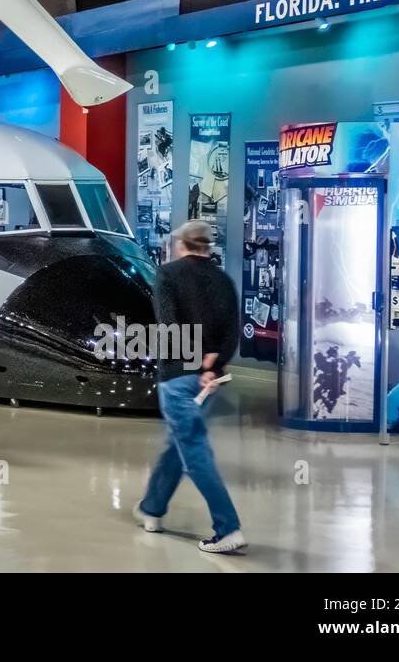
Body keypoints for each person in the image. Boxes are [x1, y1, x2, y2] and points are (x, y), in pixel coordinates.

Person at [134, 219, 244, 554]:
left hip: (178, 376)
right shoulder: (223, 280)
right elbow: (231, 331)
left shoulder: (167, 274)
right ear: (208, 247)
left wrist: (194, 361)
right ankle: (152, 508)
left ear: (182, 244)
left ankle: (228, 528)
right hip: (209, 380)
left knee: (194, 450)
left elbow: (168, 325)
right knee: (178, 443)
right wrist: (213, 363)